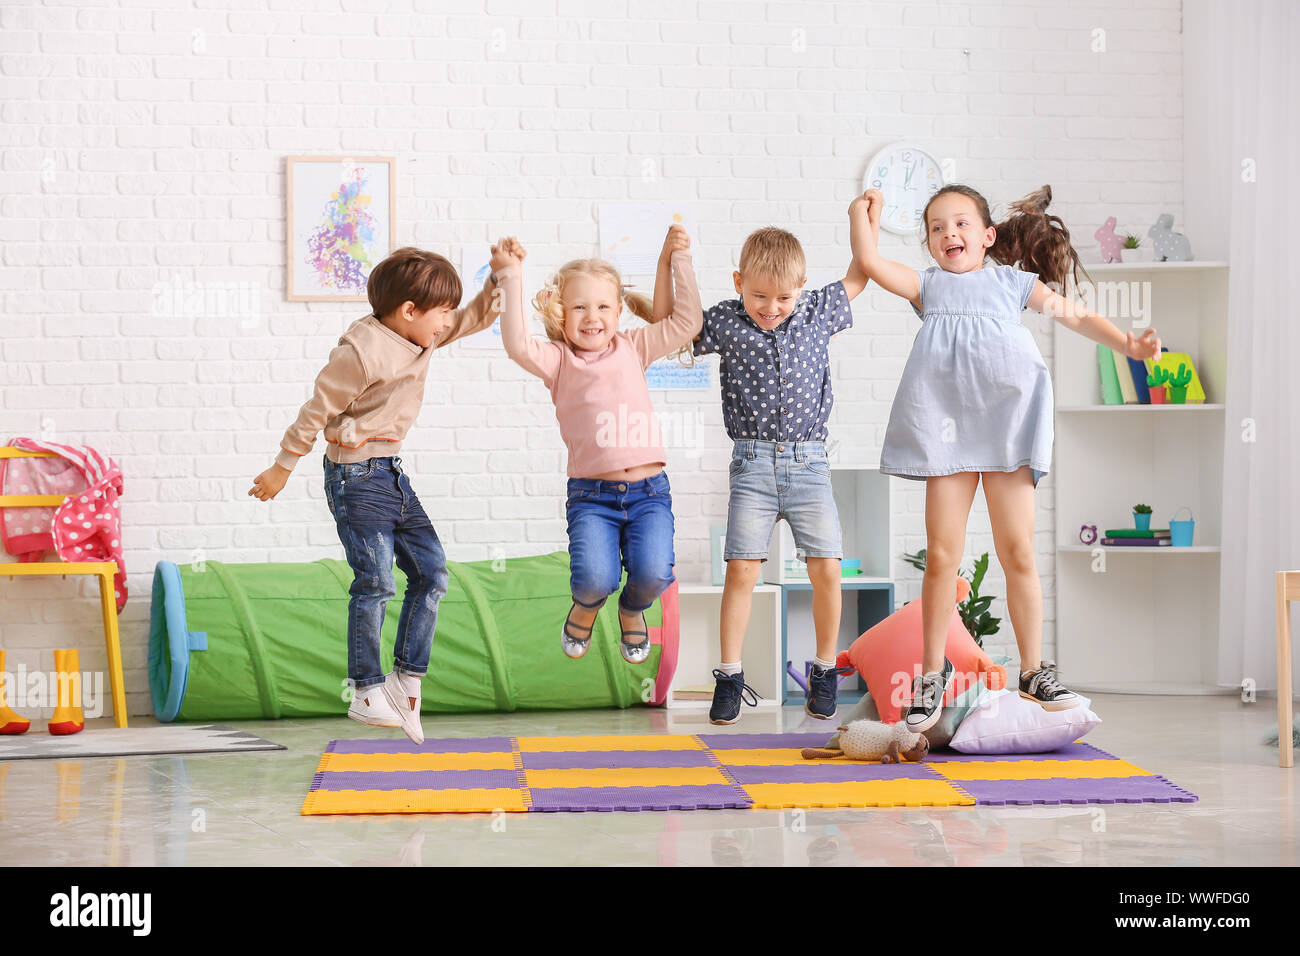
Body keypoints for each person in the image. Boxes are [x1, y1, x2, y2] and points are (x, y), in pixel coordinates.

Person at [860, 184, 1161, 732]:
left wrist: (1127, 345)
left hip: (1007, 425)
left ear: (988, 235)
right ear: (928, 244)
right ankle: (931, 675)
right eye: (936, 228)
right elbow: (872, 262)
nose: (950, 233)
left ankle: (1033, 670)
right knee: (942, 556)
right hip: (947, 435)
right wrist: (867, 218)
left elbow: (1074, 315)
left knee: (1018, 549)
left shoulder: (1012, 283)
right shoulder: (927, 287)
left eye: (961, 223)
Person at [248, 241, 521, 743]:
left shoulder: (423, 336)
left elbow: (473, 318)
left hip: (392, 473)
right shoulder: (362, 351)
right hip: (355, 477)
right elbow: (316, 410)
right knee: (375, 581)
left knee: (432, 572)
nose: (446, 322)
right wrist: (282, 466)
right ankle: (365, 687)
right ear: (409, 310)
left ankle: (406, 678)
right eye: (440, 312)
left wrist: (501, 277)